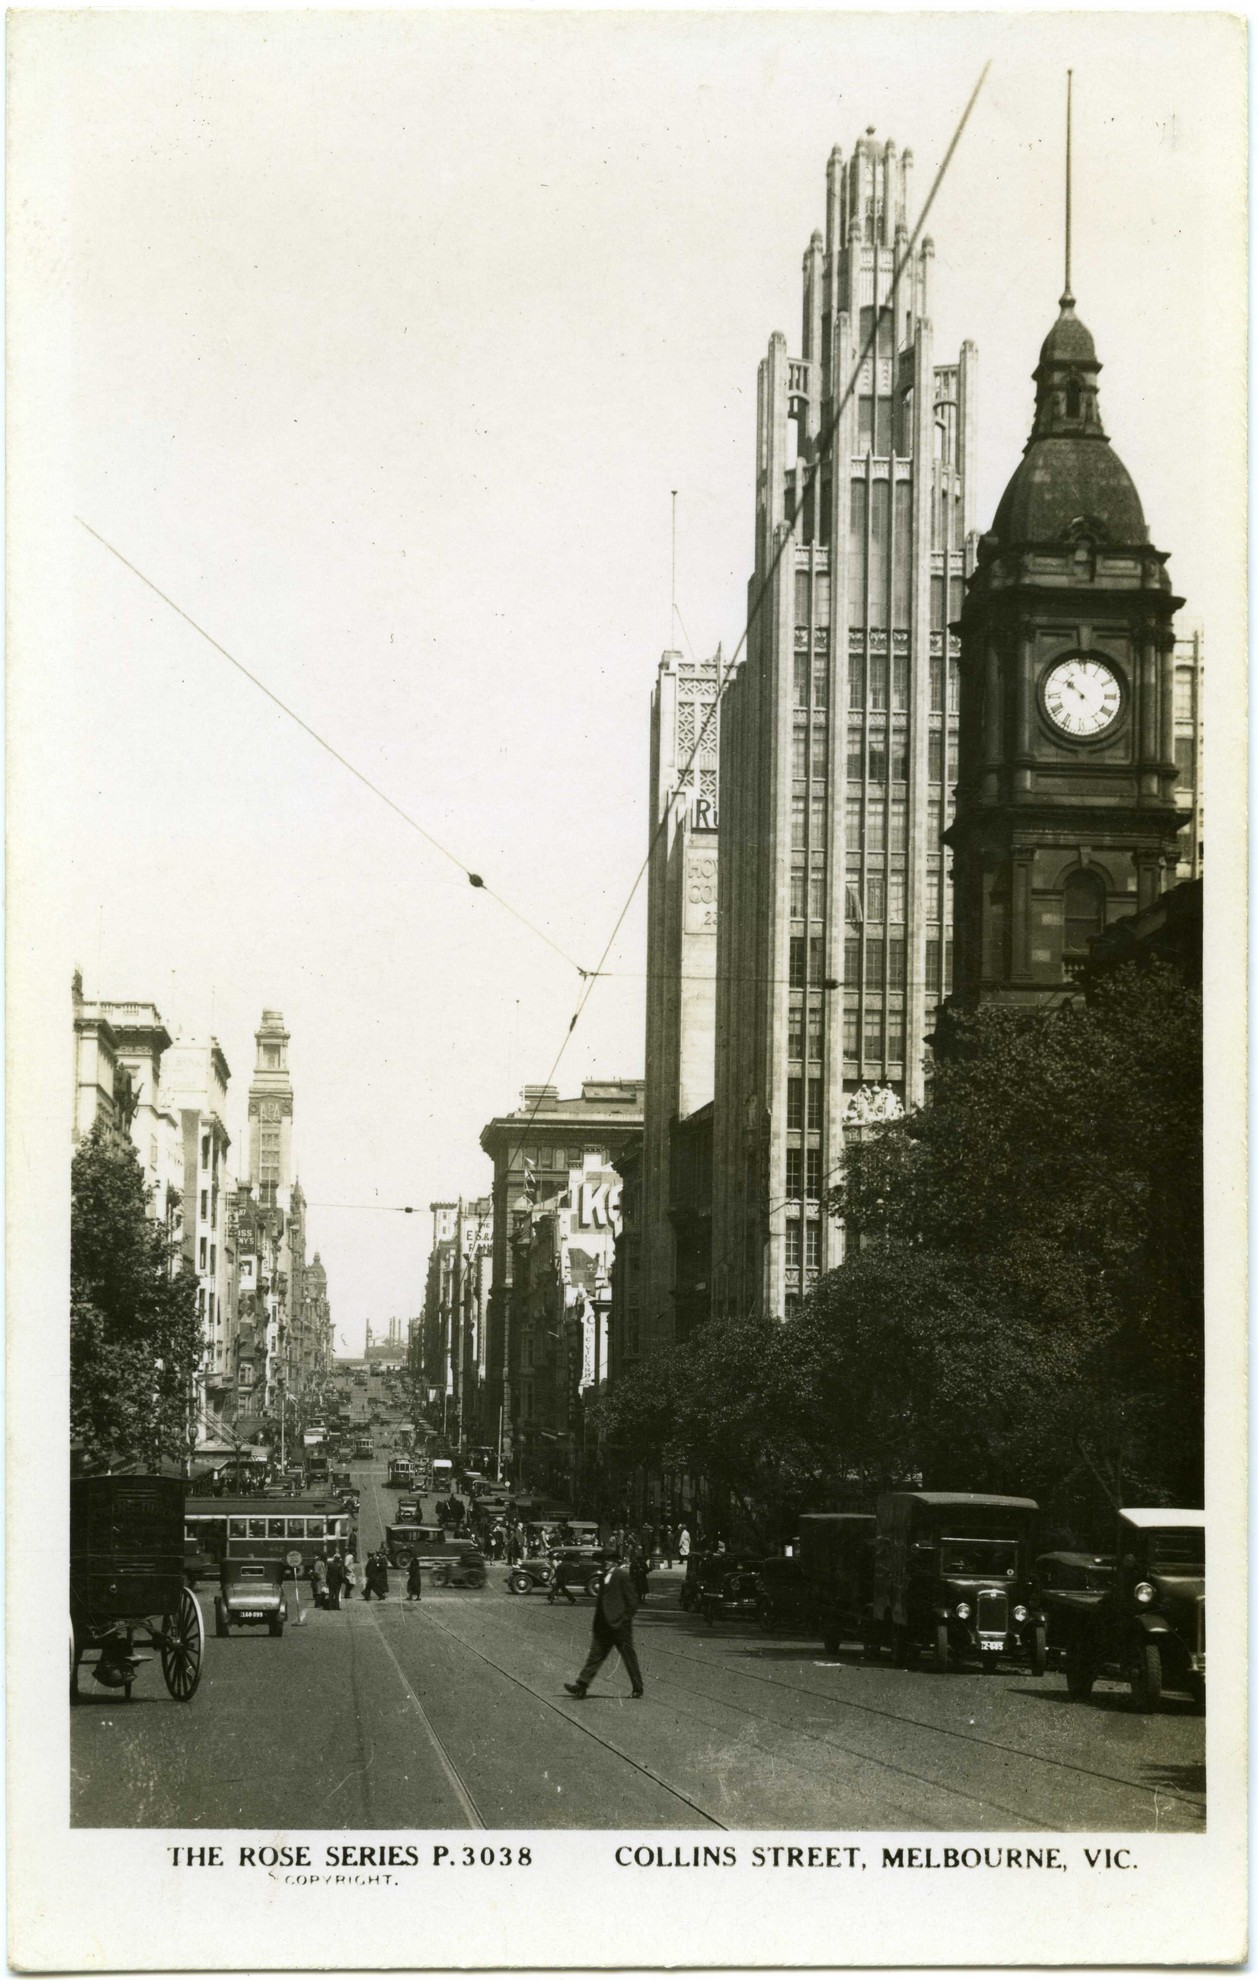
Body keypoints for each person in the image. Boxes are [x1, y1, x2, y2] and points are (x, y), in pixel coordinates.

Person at [565, 1547, 643, 1700]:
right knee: (595, 1656)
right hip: (604, 1625)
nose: (605, 1562)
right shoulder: (603, 1576)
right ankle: (581, 1686)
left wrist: (624, 1619)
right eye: (603, 1560)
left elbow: (633, 1601)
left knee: (628, 1657)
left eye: (608, 1560)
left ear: (614, 1561)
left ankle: (638, 1688)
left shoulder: (621, 1575)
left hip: (620, 1626)